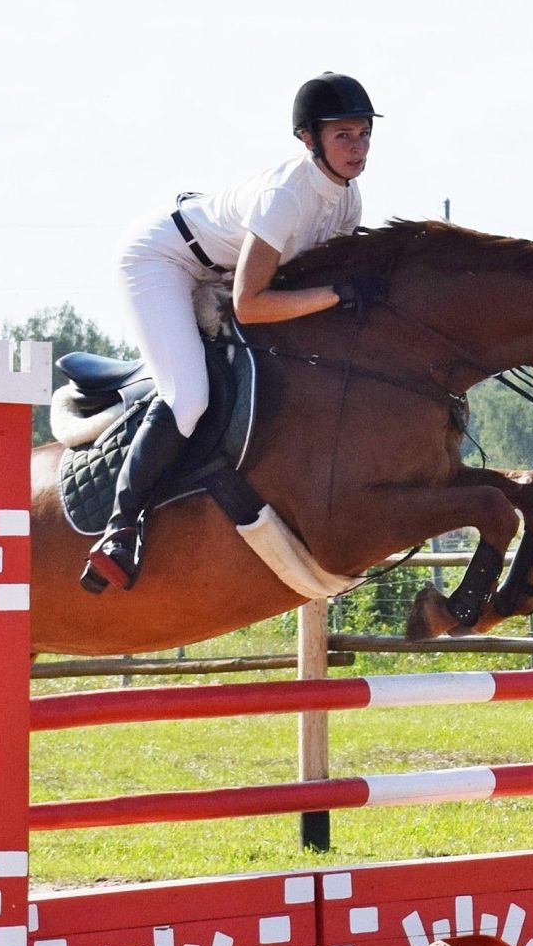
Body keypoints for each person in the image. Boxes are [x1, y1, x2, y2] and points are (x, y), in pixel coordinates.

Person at [82, 72, 381, 593]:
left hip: (221, 267)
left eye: (363, 134)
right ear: (309, 140)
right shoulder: (288, 196)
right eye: (343, 136)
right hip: (163, 259)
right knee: (189, 395)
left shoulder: (348, 200)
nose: (357, 148)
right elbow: (252, 304)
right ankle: (119, 529)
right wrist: (338, 294)